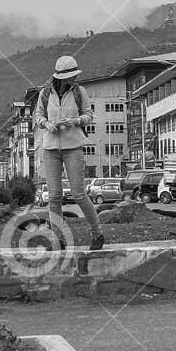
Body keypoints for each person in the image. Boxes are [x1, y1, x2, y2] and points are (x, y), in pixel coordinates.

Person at [35, 55, 104, 250]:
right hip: (50, 149)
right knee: (54, 196)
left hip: (73, 147)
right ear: (61, 77)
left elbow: (88, 114)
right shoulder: (44, 93)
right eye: (71, 75)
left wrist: (76, 121)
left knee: (79, 194)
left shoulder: (79, 92)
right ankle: (58, 239)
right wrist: (47, 124)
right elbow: (38, 115)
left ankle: (97, 234)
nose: (74, 78)